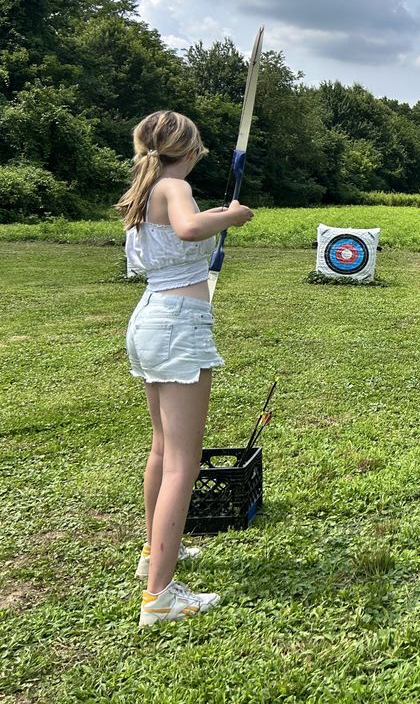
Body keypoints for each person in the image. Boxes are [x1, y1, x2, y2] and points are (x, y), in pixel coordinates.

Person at [116, 110, 254, 627]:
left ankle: (155, 554)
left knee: (162, 450)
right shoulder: (173, 187)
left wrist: (216, 214)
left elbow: (181, 234)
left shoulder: (146, 188)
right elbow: (190, 226)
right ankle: (160, 596)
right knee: (182, 462)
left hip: (152, 318)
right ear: (190, 150)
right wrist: (232, 217)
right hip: (176, 322)